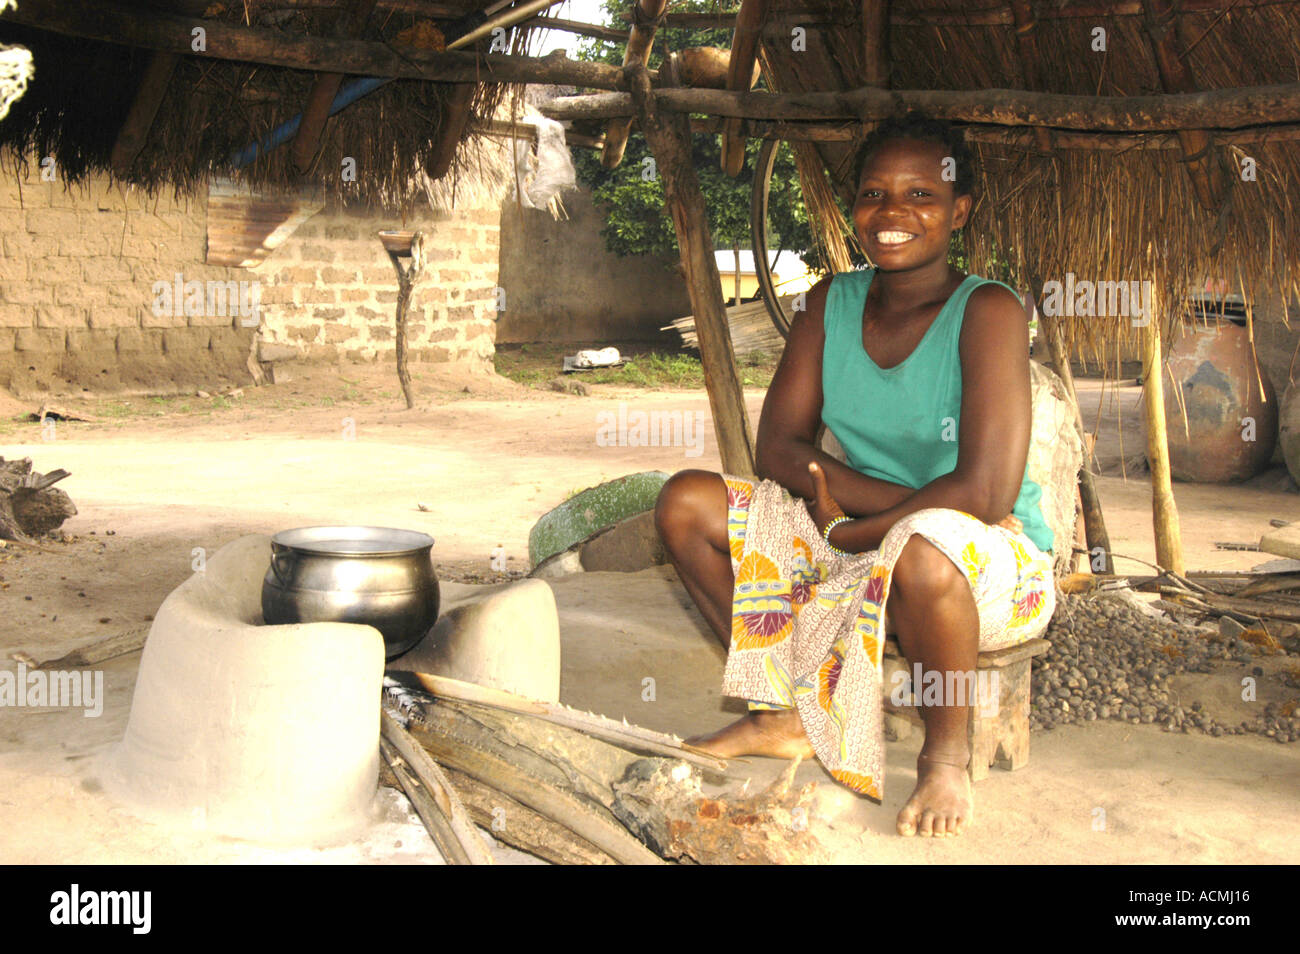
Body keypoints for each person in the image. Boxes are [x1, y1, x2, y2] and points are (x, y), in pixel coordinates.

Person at [654, 112, 1056, 838]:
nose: (892, 213)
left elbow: (986, 493)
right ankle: (782, 714)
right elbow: (779, 448)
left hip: (981, 562)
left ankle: (945, 757)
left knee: (925, 550)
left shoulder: (989, 310)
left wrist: (861, 527)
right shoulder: (827, 303)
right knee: (685, 502)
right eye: (874, 194)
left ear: (959, 209)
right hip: (855, 531)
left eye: (921, 195)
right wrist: (866, 522)